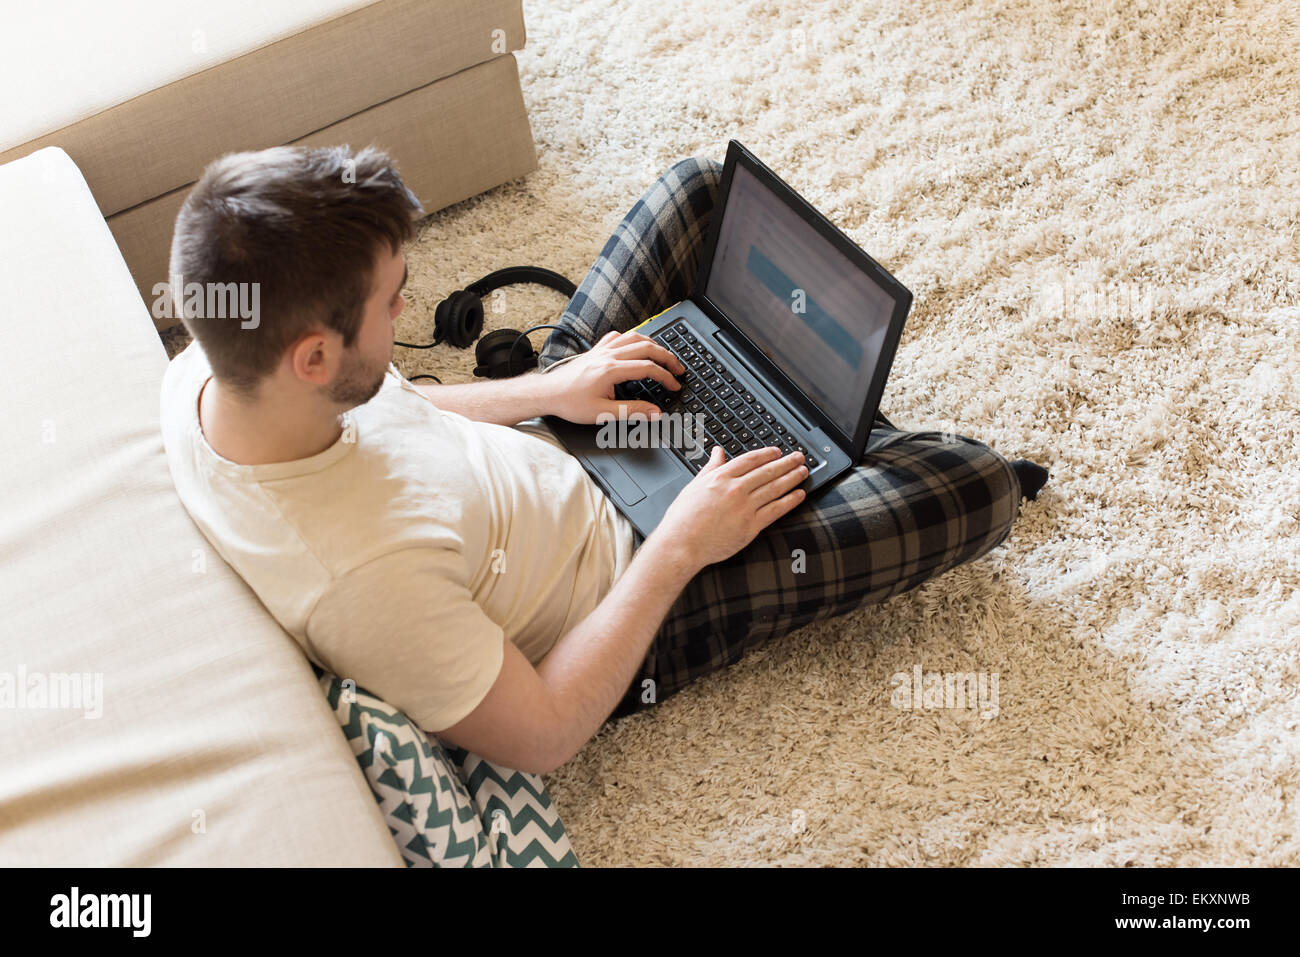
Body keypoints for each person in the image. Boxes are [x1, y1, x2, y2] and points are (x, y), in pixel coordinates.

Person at [160, 144, 1047, 776]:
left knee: (707, 190)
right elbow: (545, 732)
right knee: (975, 481)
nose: (407, 317)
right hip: (637, 590)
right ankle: (830, 448)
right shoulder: (364, 583)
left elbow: (397, 404)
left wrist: (553, 390)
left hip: (554, 435)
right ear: (313, 358)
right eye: (392, 305)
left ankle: (809, 430)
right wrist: (683, 544)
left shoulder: (214, 358)